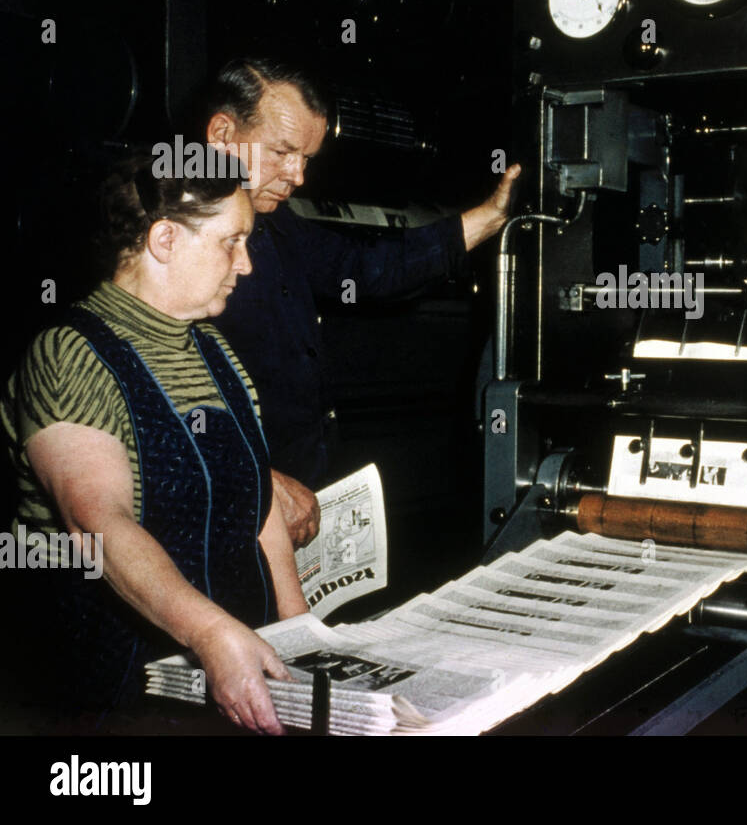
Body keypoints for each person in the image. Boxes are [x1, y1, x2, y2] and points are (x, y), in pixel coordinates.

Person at [1, 152, 308, 734]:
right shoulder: (68, 355)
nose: (245, 265)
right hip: (121, 693)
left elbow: (258, 508)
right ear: (164, 239)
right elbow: (100, 526)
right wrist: (212, 633)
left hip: (239, 667)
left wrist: (299, 638)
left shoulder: (216, 350)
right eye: (231, 241)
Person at [202, 58, 520, 547]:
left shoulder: (275, 222)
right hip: (234, 504)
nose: (298, 176)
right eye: (283, 152)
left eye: (306, 158)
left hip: (295, 492)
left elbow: (363, 268)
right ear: (222, 135)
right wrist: (258, 478)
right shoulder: (166, 237)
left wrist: (487, 219)